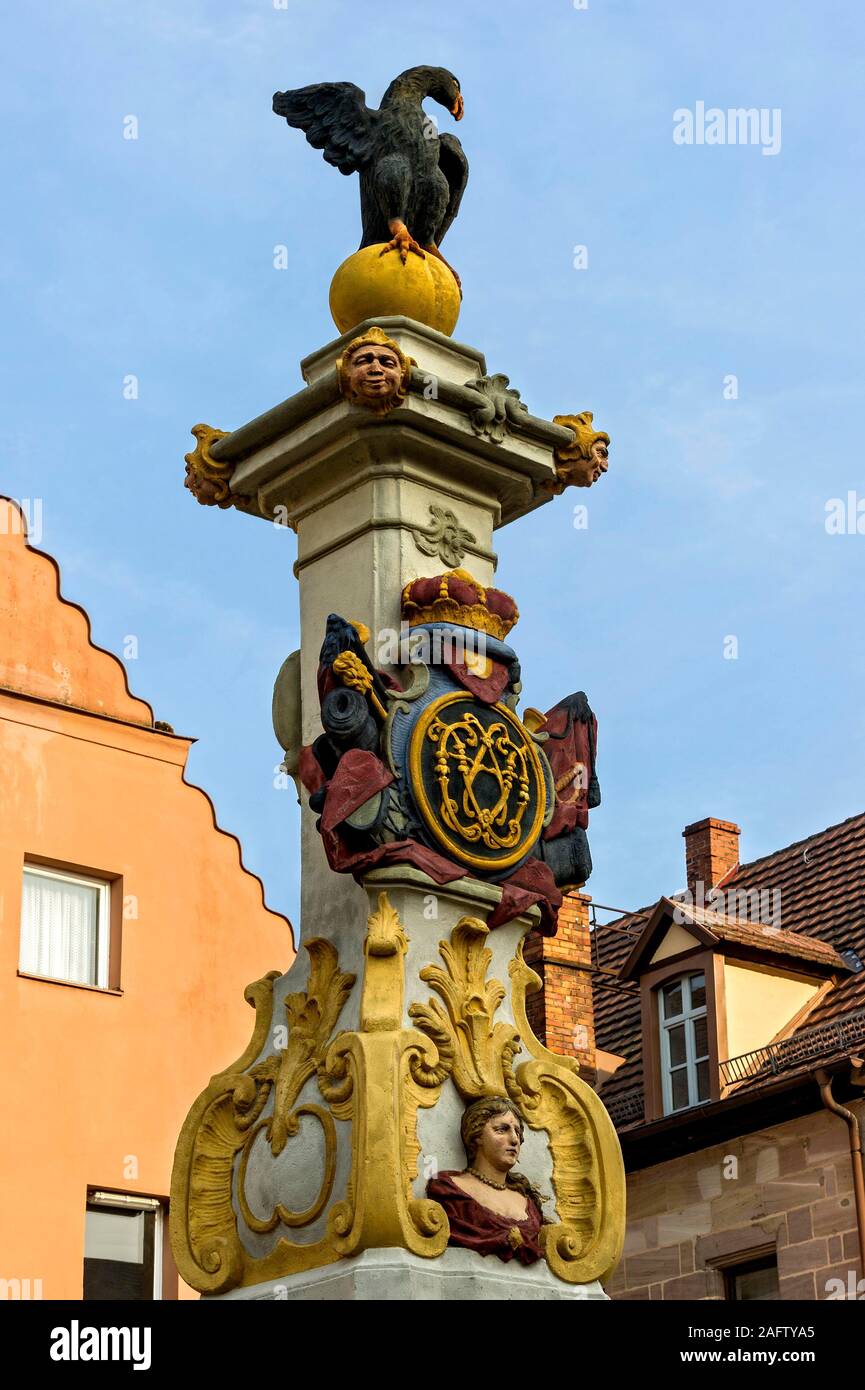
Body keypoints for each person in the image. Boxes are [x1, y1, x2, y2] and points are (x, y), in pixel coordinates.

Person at [426, 1096, 546, 1264]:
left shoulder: (530, 1206)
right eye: (502, 1129)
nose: (514, 1139)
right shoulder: (451, 1191)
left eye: (517, 1132)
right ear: (476, 1135)